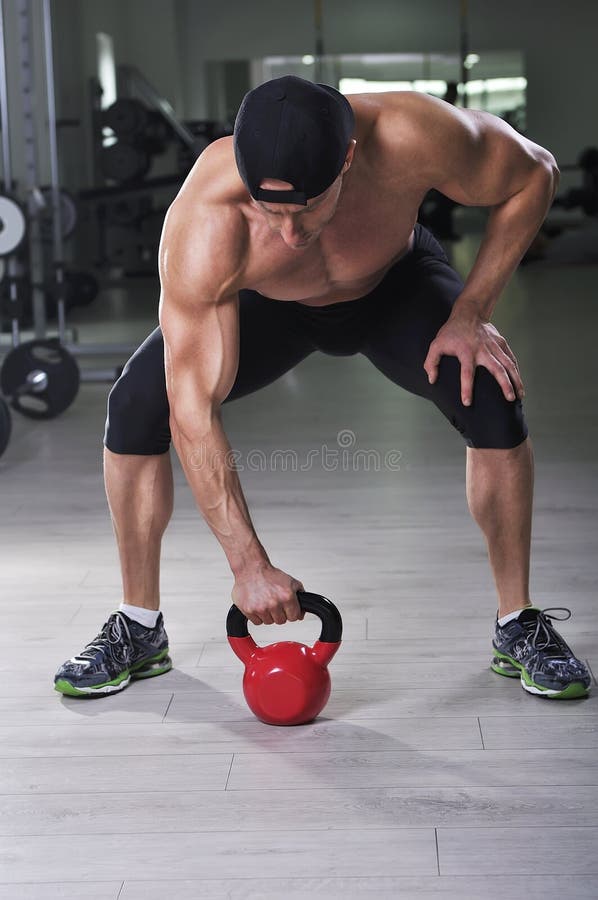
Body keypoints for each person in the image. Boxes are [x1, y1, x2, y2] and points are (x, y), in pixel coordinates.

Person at [54, 75, 590, 701]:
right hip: (270, 305)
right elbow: (192, 409)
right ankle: (139, 625)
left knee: (490, 394)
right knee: (137, 403)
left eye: (307, 207)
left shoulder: (410, 134)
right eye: (271, 211)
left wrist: (472, 312)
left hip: (395, 284)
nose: (290, 234)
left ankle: (517, 621)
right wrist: (249, 566)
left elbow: (535, 174)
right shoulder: (208, 216)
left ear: (348, 159)